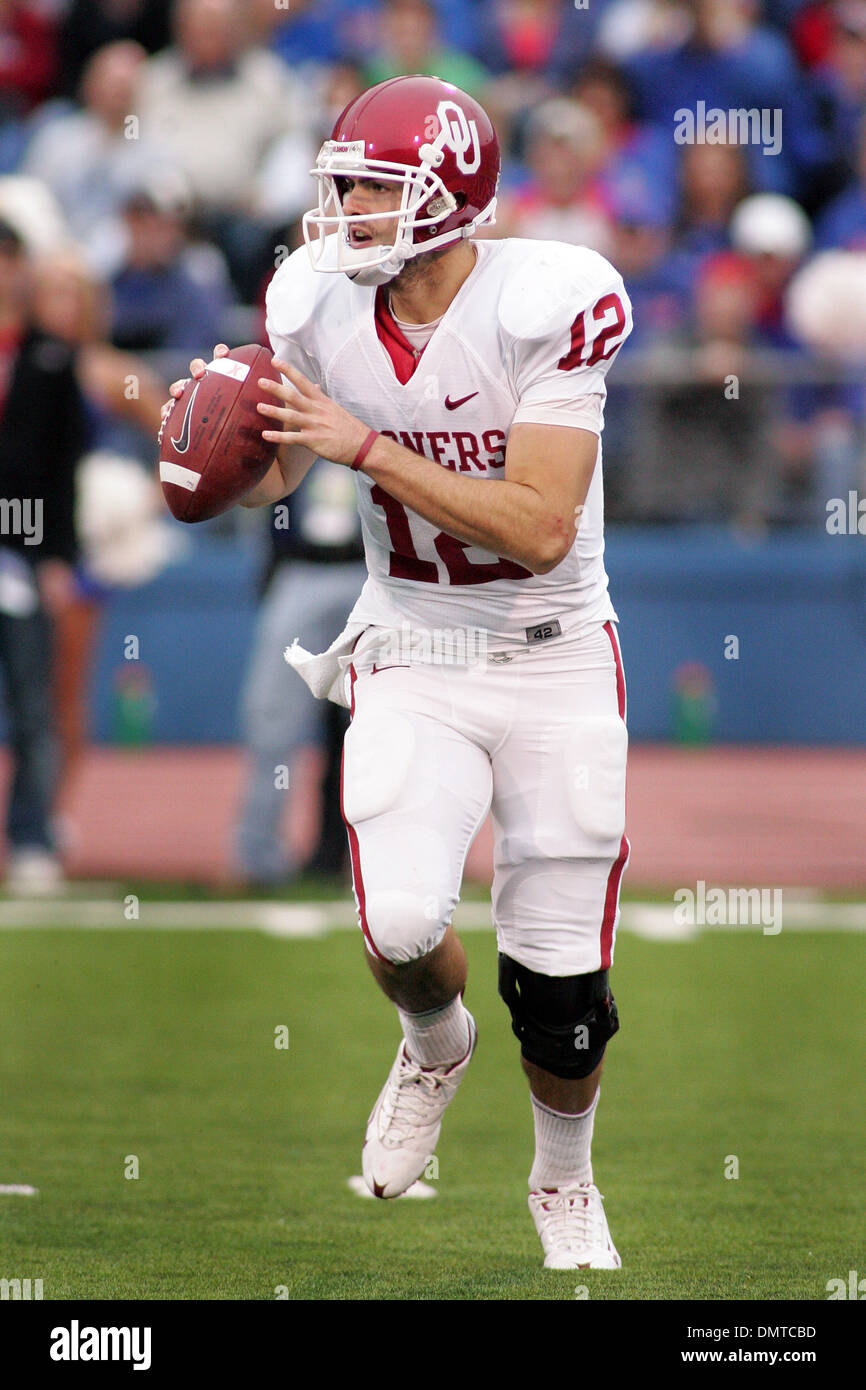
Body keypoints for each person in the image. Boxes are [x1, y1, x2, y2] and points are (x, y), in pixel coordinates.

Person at [165, 76, 633, 1270]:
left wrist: (366, 447)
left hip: (552, 652)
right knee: (402, 919)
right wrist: (214, 460)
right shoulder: (314, 298)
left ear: (452, 195)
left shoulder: (552, 298)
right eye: (346, 182)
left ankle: (562, 1180)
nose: (350, 208)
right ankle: (433, 1041)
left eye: (376, 185)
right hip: (412, 640)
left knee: (563, 995)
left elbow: (534, 525)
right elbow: (281, 469)